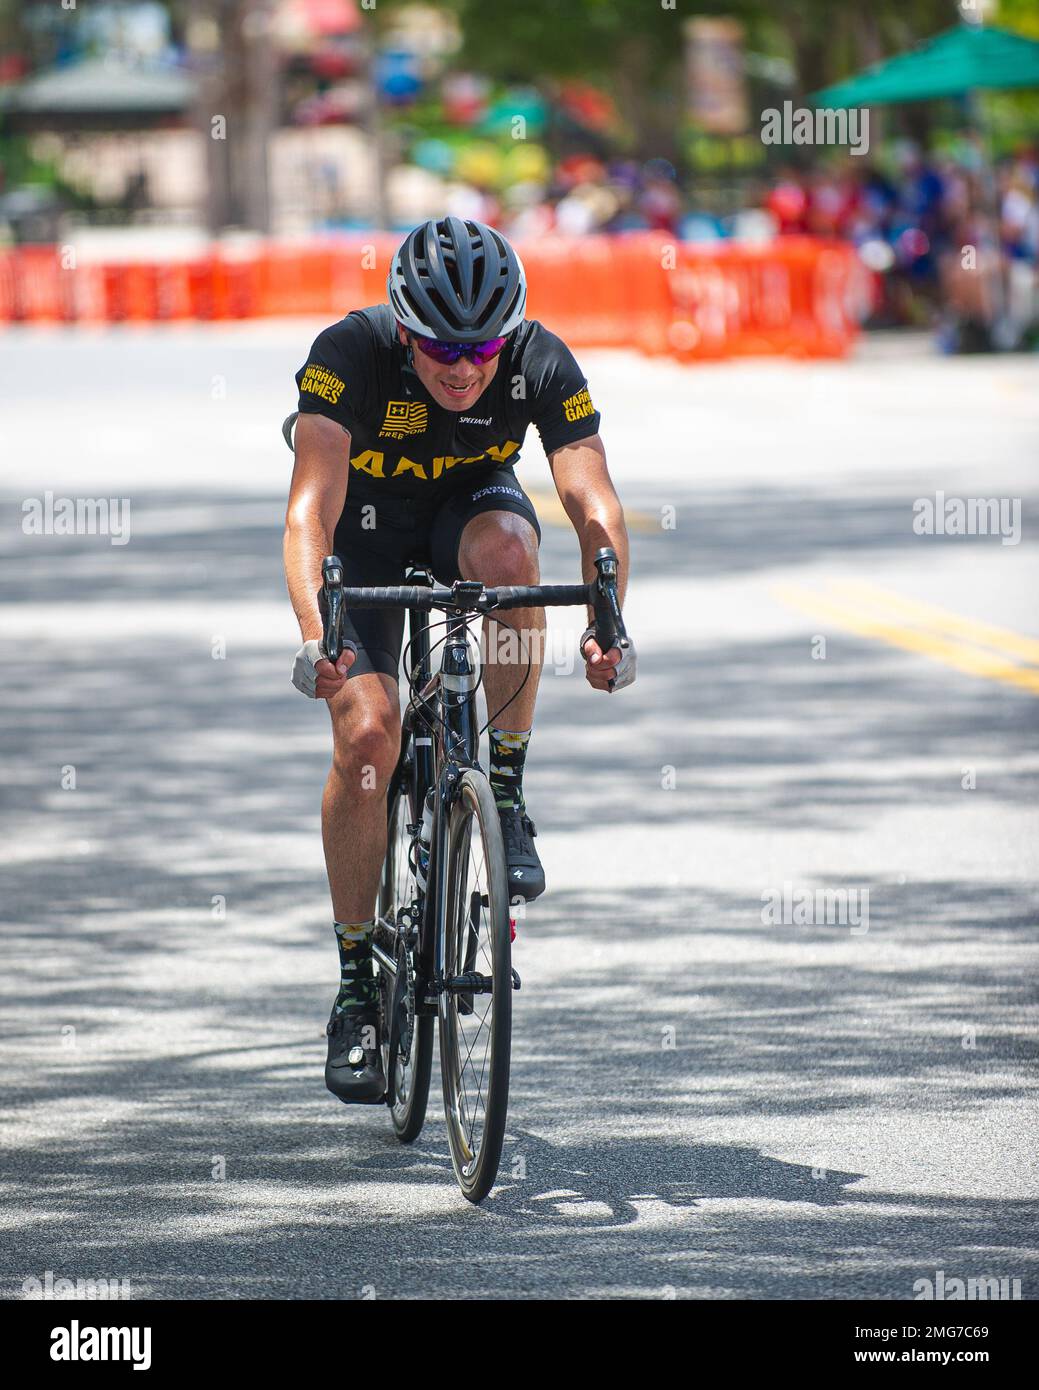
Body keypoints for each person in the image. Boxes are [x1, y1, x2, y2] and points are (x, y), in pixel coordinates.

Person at [283, 216, 635, 1103]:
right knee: (370, 736)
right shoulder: (348, 354)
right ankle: (358, 987)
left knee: (517, 556)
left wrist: (609, 617)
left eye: (482, 346)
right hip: (361, 539)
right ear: (404, 326)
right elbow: (307, 514)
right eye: (441, 345)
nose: (464, 365)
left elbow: (594, 504)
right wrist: (314, 634)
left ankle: (505, 795)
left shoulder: (540, 359)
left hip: (468, 513)